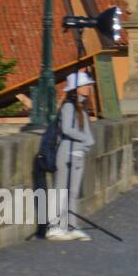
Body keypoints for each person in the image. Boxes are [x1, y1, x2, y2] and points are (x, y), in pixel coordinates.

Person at [46, 72, 96, 242]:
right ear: (76, 89)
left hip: (78, 153)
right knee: (61, 190)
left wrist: (88, 142)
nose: (88, 88)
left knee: (73, 192)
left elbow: (86, 131)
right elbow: (67, 129)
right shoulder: (69, 106)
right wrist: (85, 139)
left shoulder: (83, 108)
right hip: (66, 153)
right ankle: (54, 226)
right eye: (85, 85)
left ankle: (71, 225)